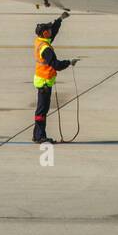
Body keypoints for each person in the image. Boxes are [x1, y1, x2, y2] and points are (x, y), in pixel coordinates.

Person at [32, 13, 76, 144]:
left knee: (41, 110)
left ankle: (37, 135)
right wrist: (69, 62)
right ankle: (40, 136)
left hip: (42, 80)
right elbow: (56, 65)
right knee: (42, 110)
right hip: (44, 82)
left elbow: (54, 33)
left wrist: (60, 20)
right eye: (49, 30)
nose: (51, 31)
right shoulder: (45, 49)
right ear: (45, 33)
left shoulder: (40, 41)